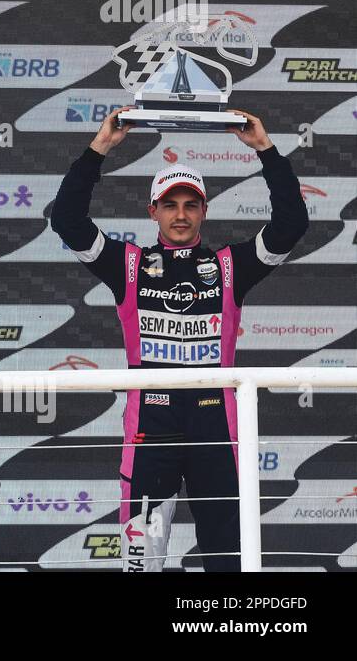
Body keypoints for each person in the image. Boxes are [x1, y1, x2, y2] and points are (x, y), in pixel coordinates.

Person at [50, 108, 308, 571]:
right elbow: (67, 220)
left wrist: (265, 150)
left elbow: (291, 226)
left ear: (205, 210)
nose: (181, 215)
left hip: (216, 431)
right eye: (170, 204)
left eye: (191, 204)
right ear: (153, 211)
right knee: (141, 564)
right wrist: (100, 148)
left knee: (229, 562)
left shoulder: (230, 268)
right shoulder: (127, 267)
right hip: (150, 432)